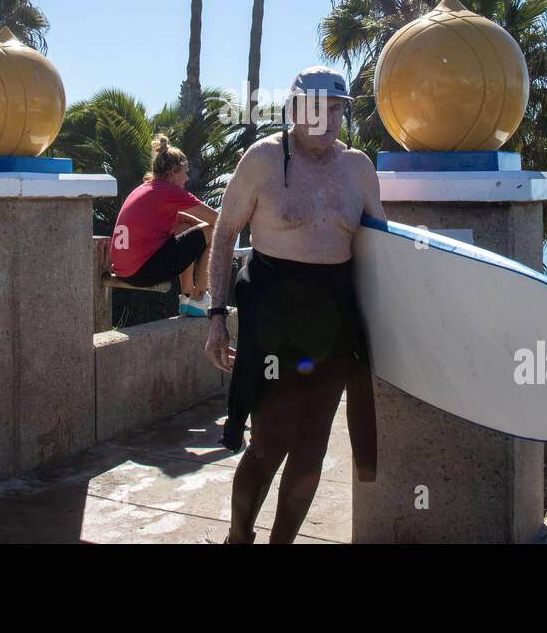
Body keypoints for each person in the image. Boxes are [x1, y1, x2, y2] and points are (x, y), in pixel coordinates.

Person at [204, 66, 381, 544]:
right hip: (274, 318)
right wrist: (217, 317)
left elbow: (382, 255)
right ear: (295, 110)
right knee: (269, 444)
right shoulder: (263, 160)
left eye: (337, 109)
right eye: (316, 109)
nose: (327, 119)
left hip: (334, 325)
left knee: (311, 452)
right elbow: (224, 237)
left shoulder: (359, 169)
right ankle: (239, 538)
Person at [110, 134, 218, 315]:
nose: (188, 178)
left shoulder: (146, 188)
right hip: (142, 271)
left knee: (185, 227)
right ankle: (199, 297)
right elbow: (219, 220)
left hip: (124, 271)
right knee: (217, 231)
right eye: (186, 172)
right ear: (175, 171)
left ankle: (187, 296)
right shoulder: (170, 191)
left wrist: (195, 228)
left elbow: (181, 221)